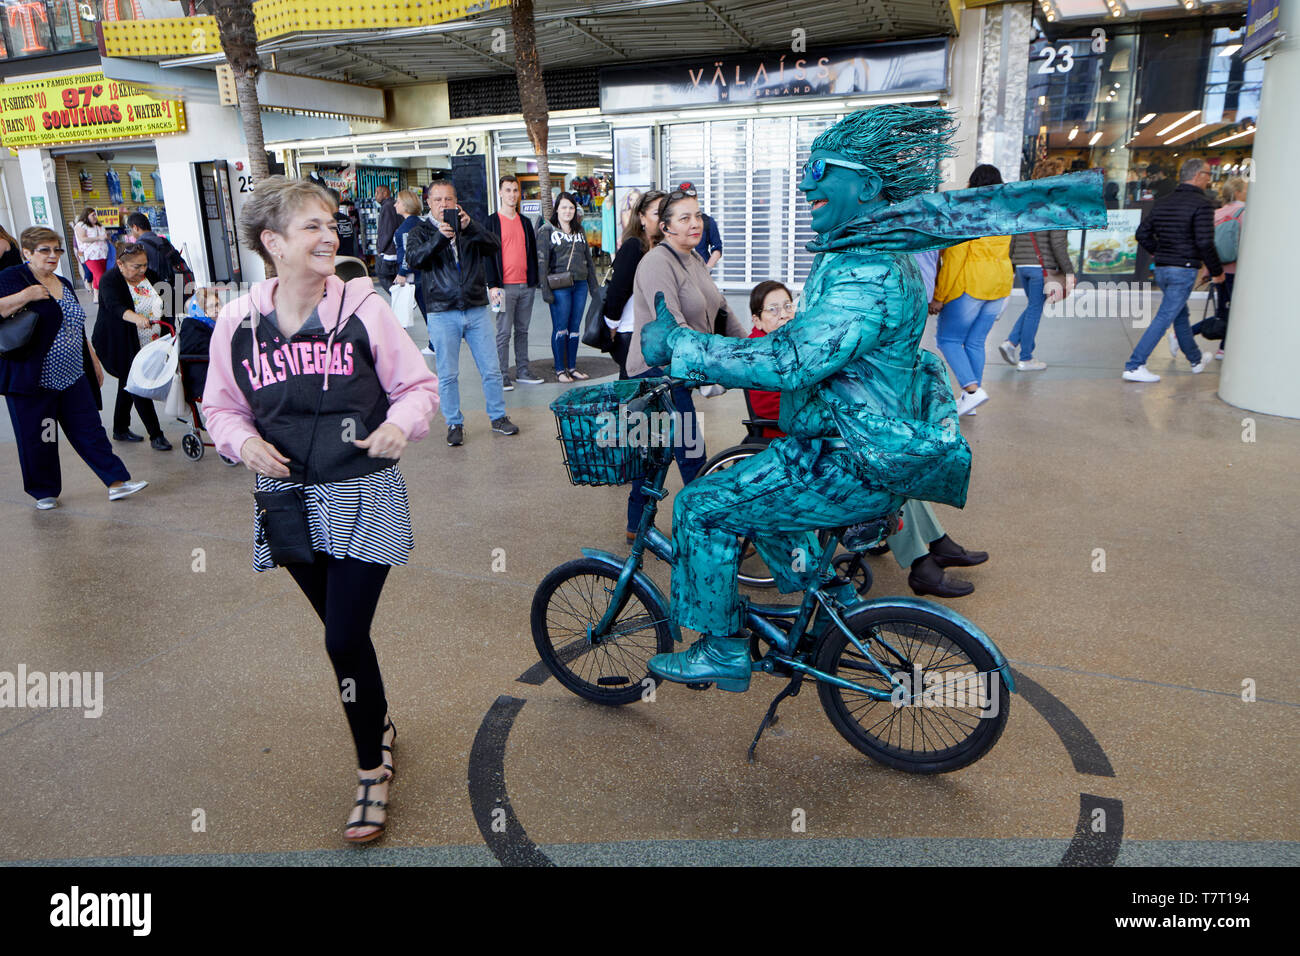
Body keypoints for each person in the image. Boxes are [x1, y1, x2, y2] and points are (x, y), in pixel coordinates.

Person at [634, 105, 1101, 690]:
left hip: (843, 456)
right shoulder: (872, 252)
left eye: (822, 170)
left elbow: (790, 359)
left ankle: (721, 650)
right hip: (834, 444)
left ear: (870, 185)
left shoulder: (868, 270)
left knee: (700, 509)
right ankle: (826, 605)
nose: (806, 184)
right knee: (772, 513)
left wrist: (680, 344)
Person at [203, 176, 440, 844]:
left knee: (340, 637)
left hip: (361, 493)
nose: (329, 235)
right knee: (348, 637)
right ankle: (382, 726)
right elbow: (220, 406)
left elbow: (416, 385)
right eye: (312, 226)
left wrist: (402, 423)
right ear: (272, 242)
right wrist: (241, 441)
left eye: (331, 223)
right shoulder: (235, 322)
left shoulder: (365, 308)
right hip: (286, 503)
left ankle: (372, 770)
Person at [749, 280, 987, 597]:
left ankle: (937, 543)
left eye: (787, 306)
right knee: (881, 470)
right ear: (757, 320)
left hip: (827, 434)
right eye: (773, 310)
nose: (783, 314)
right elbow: (774, 409)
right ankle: (922, 563)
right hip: (796, 445)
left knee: (900, 458)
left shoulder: (797, 343)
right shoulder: (761, 355)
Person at [624, 187, 748, 542]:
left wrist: (753, 349)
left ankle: (637, 525)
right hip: (654, 373)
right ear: (665, 227)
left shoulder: (694, 259)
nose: (696, 224)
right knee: (690, 450)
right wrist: (717, 362)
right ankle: (710, 531)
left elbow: (721, 311)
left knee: (654, 451)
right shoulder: (655, 264)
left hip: (678, 372)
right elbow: (673, 328)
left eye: (698, 215)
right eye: (685, 218)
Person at [0, 227, 148, 509]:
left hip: (72, 374)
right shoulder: (12, 278)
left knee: (89, 429)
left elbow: (75, 326)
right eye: (44, 250)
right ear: (27, 253)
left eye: (57, 250)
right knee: (40, 437)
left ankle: (116, 482)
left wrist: (92, 360)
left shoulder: (64, 283)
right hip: (32, 378)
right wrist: (26, 296)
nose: (52, 256)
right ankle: (44, 492)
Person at [416, 179, 519, 446]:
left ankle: (498, 417)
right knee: (448, 374)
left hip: (475, 308)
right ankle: (454, 422)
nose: (443, 205)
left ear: (456, 201)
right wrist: (441, 237)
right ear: (428, 202)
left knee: (492, 369)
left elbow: (494, 246)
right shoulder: (421, 231)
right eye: (437, 200)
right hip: (441, 311)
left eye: (448, 200)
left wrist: (470, 226)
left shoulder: (469, 227)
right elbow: (415, 259)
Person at [1124, 158, 1224, 383]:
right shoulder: (1203, 204)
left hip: (1162, 268)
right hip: (1184, 269)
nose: (1210, 179)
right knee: (1165, 316)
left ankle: (1196, 360)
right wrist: (1216, 272)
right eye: (1208, 174)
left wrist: (1159, 252)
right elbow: (1205, 242)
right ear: (1198, 175)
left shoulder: (1162, 202)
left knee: (1180, 313)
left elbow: (1142, 234)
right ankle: (1134, 364)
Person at [931, 164, 1012, 415]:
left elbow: (954, 260)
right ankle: (971, 402)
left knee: (948, 340)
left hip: (970, 285)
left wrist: (939, 296)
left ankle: (972, 392)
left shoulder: (965, 213)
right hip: (999, 285)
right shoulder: (1005, 212)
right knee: (976, 342)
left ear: (971, 183)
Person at [89, 242, 173, 451]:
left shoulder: (150, 276)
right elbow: (115, 306)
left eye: (144, 264)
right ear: (120, 264)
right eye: (136, 266)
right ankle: (156, 434)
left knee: (127, 382)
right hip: (118, 341)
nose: (142, 270)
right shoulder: (110, 280)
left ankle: (120, 427)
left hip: (149, 340)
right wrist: (136, 318)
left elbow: (168, 298)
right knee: (137, 382)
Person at [1000, 158, 1077, 372]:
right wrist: (1069, 272)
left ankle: (1011, 342)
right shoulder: (1056, 207)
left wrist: (1013, 263)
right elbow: (1058, 242)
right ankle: (1026, 357)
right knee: (1035, 309)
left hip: (1023, 266)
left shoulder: (1025, 204)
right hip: (1041, 268)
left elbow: (1014, 236)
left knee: (1033, 306)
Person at [485, 174, 544, 389]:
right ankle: (502, 375)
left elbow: (531, 253)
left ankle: (523, 371)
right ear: (500, 193)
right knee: (503, 333)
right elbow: (487, 256)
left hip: (525, 286)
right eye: (508, 190)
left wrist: (534, 281)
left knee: (522, 331)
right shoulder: (491, 222)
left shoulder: (526, 222)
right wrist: (492, 285)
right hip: (503, 288)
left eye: (515, 190)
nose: (512, 194)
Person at [602, 190, 666, 380]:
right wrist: (611, 327)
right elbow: (617, 291)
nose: (663, 219)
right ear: (641, 217)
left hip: (653, 333)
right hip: (630, 332)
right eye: (656, 213)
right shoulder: (634, 246)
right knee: (634, 394)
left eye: (666, 213)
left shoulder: (665, 248)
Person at [537, 191, 597, 383]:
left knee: (574, 328)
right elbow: (542, 261)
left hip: (579, 284)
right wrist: (545, 290)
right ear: (557, 209)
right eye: (564, 207)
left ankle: (572, 366)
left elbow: (588, 258)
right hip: (559, 285)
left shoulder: (579, 230)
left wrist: (593, 286)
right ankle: (560, 370)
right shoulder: (546, 231)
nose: (568, 211)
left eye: (571, 207)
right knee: (560, 328)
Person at [1189, 175, 1246, 360]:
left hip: (1220, 270)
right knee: (1232, 312)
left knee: (1224, 310)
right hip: (1238, 271)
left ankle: (1223, 348)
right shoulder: (1246, 213)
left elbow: (1210, 245)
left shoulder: (1217, 213)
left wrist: (1208, 271)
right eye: (1245, 189)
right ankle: (1188, 333)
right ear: (1237, 192)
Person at [126, 212, 187, 292]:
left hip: (156, 292)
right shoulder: (164, 241)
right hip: (175, 289)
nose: (131, 234)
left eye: (130, 230)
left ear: (135, 228)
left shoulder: (139, 247)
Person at [675, 182, 723, 270]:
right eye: (683, 199)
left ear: (696, 198)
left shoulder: (707, 222)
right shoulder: (672, 222)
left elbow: (717, 248)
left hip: (701, 271)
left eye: (690, 198)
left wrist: (708, 268)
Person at [390, 189, 424, 292]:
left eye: (398, 202)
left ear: (406, 205)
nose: (395, 205)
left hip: (414, 275)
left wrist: (402, 272)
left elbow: (407, 253)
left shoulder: (404, 229)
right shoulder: (422, 222)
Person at [73, 208, 110, 303]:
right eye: (93, 215)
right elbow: (82, 238)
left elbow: (104, 236)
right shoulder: (81, 225)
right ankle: (106, 295)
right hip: (90, 255)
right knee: (100, 276)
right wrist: (99, 237)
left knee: (97, 275)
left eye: (95, 215)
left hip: (103, 254)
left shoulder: (99, 225)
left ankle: (96, 295)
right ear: (86, 215)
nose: (95, 217)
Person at [373, 184, 400, 291]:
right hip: (395, 250)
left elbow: (387, 231)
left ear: (384, 193)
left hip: (389, 251)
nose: (375, 195)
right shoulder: (393, 204)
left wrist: (380, 248)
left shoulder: (387, 206)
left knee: (382, 274)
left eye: (377, 192)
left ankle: (398, 296)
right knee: (393, 277)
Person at [330, 190, 358, 259]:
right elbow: (355, 244)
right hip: (349, 261)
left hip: (336, 262)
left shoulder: (329, 220)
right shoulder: (347, 219)